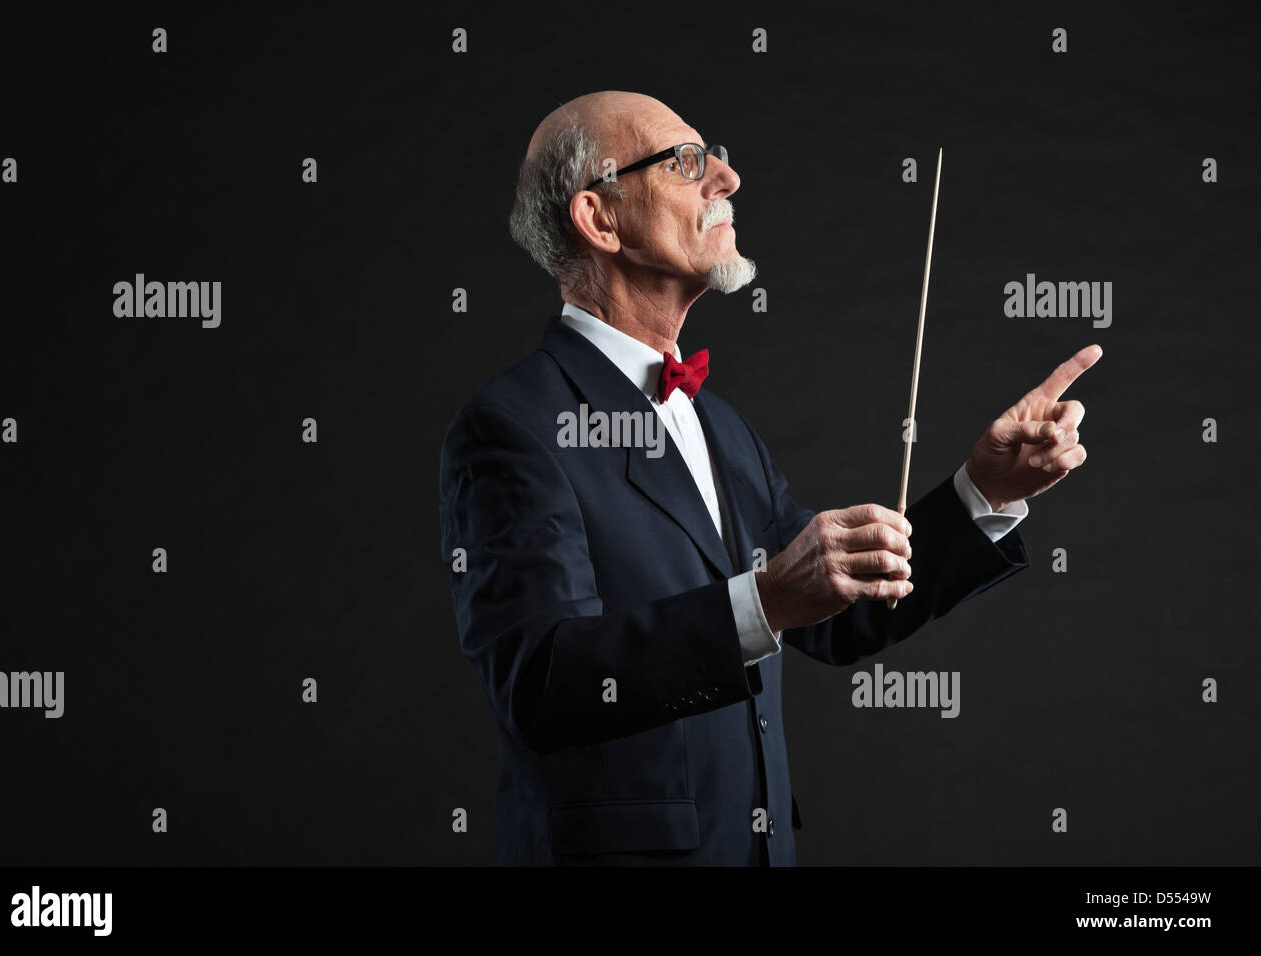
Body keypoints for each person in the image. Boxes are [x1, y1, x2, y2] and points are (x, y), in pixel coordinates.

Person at [438, 91, 1099, 865]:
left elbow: (835, 616)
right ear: (599, 219)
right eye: (685, 162)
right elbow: (541, 684)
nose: (727, 176)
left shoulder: (719, 425)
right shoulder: (512, 425)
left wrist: (985, 491)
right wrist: (765, 600)